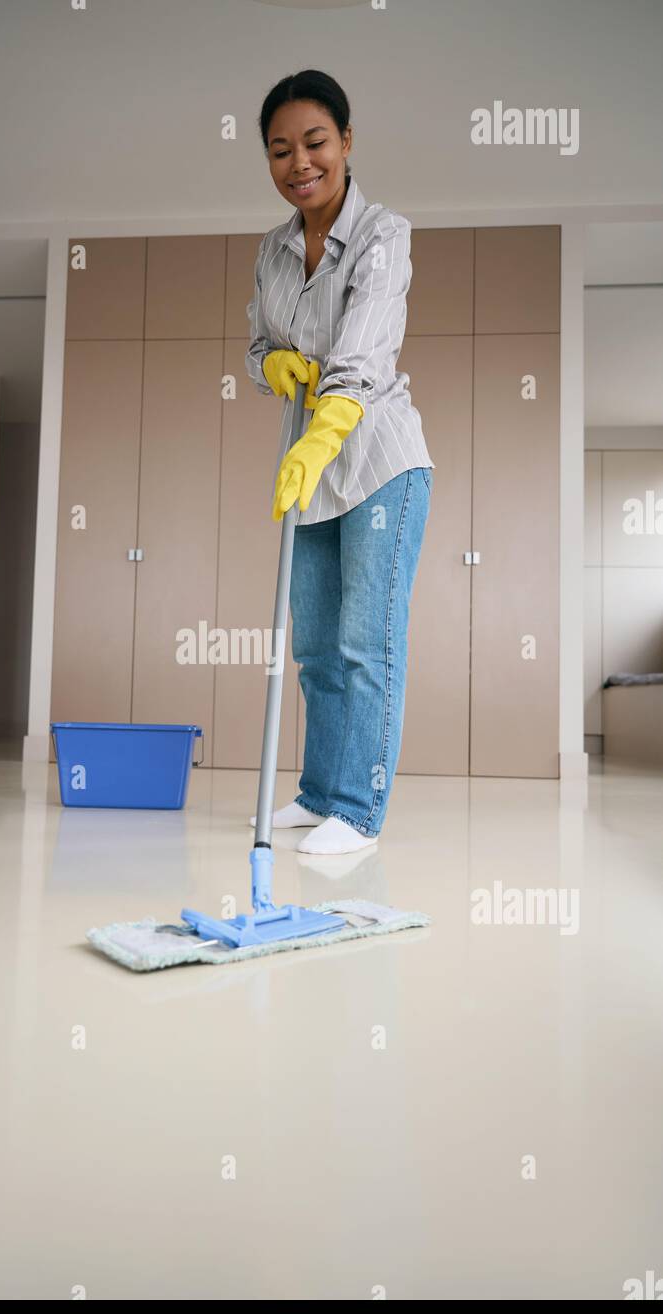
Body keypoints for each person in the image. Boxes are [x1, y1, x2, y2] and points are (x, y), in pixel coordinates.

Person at [246, 70, 434, 855]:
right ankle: (318, 793)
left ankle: (357, 811)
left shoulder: (385, 234)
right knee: (316, 648)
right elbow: (260, 344)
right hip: (311, 469)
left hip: (379, 461)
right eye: (280, 149)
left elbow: (362, 352)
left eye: (315, 142)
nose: (300, 163)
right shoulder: (273, 250)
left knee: (365, 645)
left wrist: (324, 433)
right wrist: (272, 365)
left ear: (347, 142)